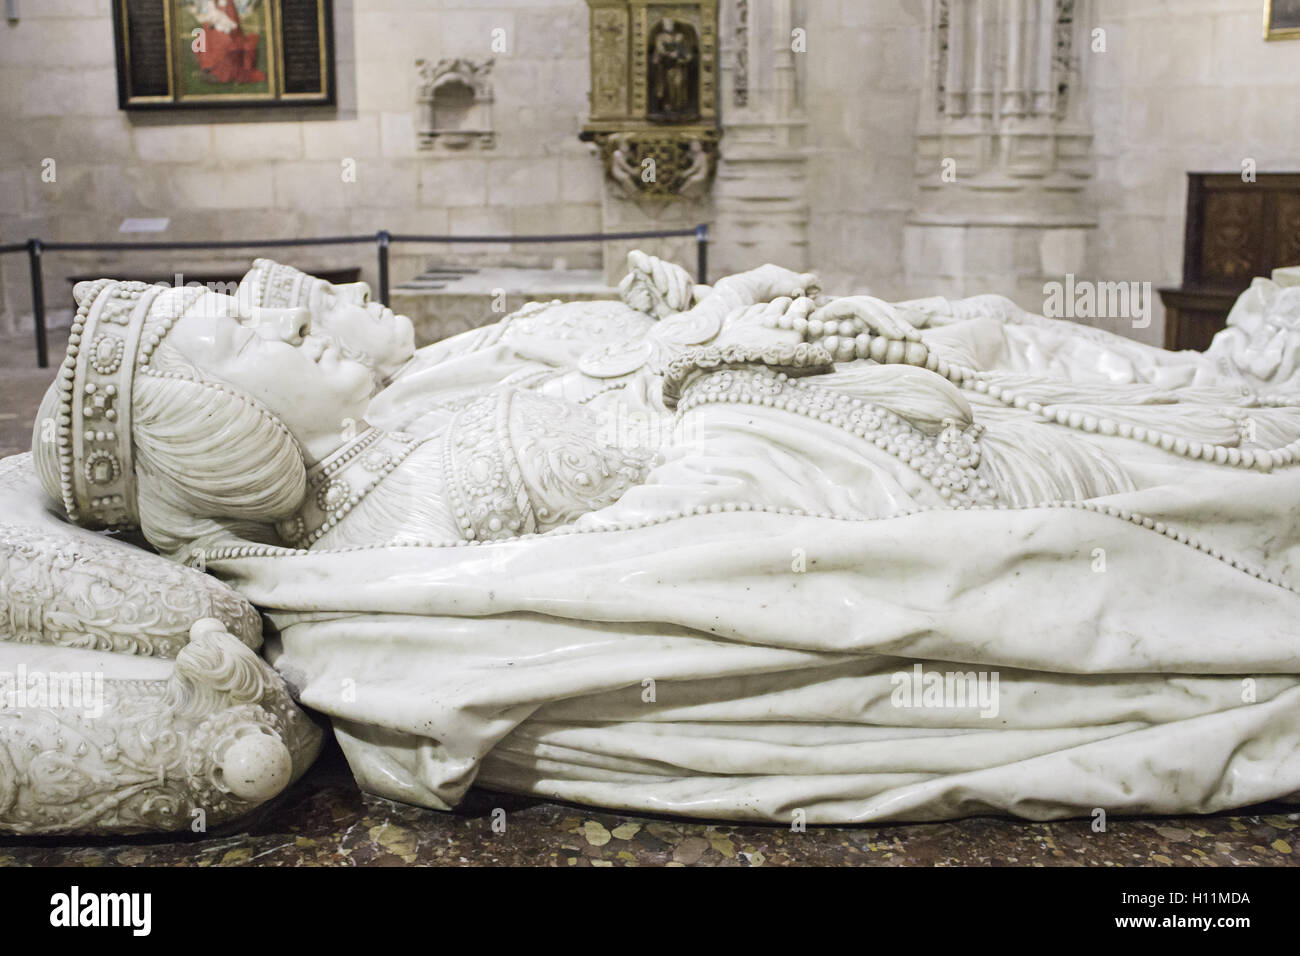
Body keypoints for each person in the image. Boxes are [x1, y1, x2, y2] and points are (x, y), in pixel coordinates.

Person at [31, 263, 1300, 825]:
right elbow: (638, 557)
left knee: (1074, 369)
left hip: (829, 399)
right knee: (1188, 481)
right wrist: (719, 393)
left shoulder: (400, 416)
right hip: (840, 462)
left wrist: (693, 331)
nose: (283, 310)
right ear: (220, 439)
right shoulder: (389, 534)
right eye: (249, 340)